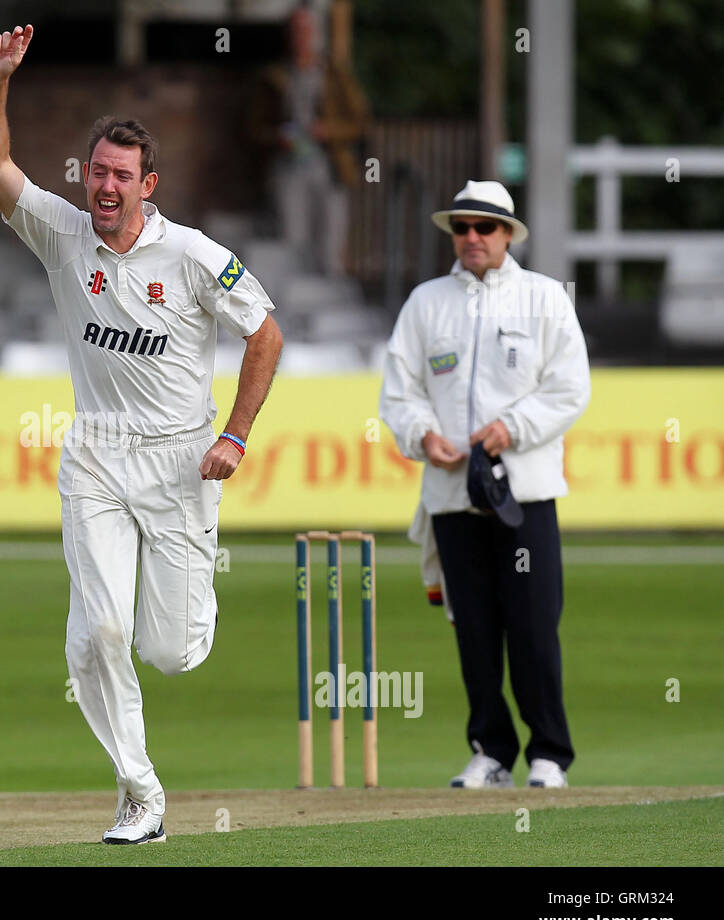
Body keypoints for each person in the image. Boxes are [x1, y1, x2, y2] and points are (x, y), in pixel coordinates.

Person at [0, 25, 283, 844]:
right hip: (98, 456)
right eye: (96, 172)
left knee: (172, 651)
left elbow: (267, 334)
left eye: (121, 176)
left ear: (150, 183)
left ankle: (179, 618)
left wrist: (237, 437)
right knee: (98, 632)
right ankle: (139, 793)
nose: (105, 186)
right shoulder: (62, 234)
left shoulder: (192, 255)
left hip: (183, 459)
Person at [379, 180, 590, 789]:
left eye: (485, 227)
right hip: (450, 493)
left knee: (531, 626)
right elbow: (400, 390)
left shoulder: (545, 299)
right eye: (462, 227)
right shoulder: (426, 302)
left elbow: (570, 388)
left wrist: (511, 428)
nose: (472, 237)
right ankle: (490, 751)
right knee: (472, 629)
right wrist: (423, 436)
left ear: (508, 234)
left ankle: (549, 754)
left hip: (522, 493)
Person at [247, 2, 367, 277]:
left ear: (317, 34)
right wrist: (277, 137)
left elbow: (359, 121)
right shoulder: (274, 76)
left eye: (306, 30)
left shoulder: (334, 74)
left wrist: (328, 130)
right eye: (295, 30)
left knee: (331, 239)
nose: (300, 37)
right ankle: (294, 304)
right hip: (288, 166)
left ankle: (329, 304)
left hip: (329, 165)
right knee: (291, 238)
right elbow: (254, 129)